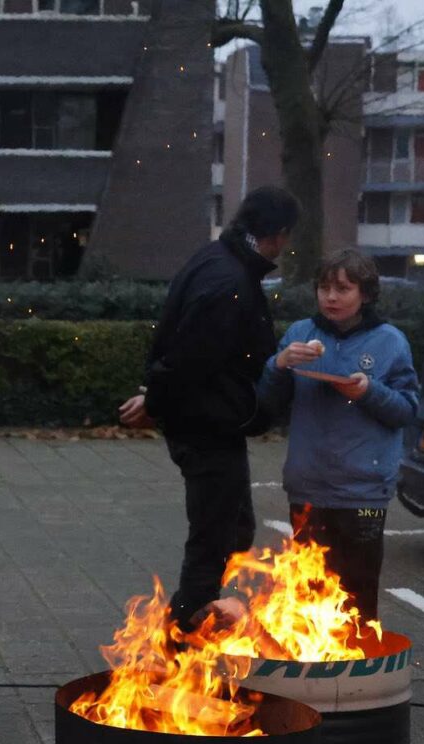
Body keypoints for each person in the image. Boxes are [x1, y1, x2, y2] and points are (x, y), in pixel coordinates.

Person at [119, 186, 300, 632]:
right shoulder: (229, 282)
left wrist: (157, 399)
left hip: (213, 420)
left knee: (235, 527)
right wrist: (156, 402)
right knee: (213, 537)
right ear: (276, 235)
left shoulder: (219, 259)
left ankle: (203, 616)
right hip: (206, 424)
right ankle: (181, 635)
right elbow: (187, 356)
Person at [257, 247, 421, 623]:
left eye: (343, 289)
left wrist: (369, 391)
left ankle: (359, 669)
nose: (330, 297)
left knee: (357, 589)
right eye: (324, 288)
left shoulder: (390, 341)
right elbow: (267, 404)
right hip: (308, 485)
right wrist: (279, 365)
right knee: (307, 591)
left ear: (365, 294)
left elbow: (407, 411)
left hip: (364, 491)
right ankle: (311, 673)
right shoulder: (301, 334)